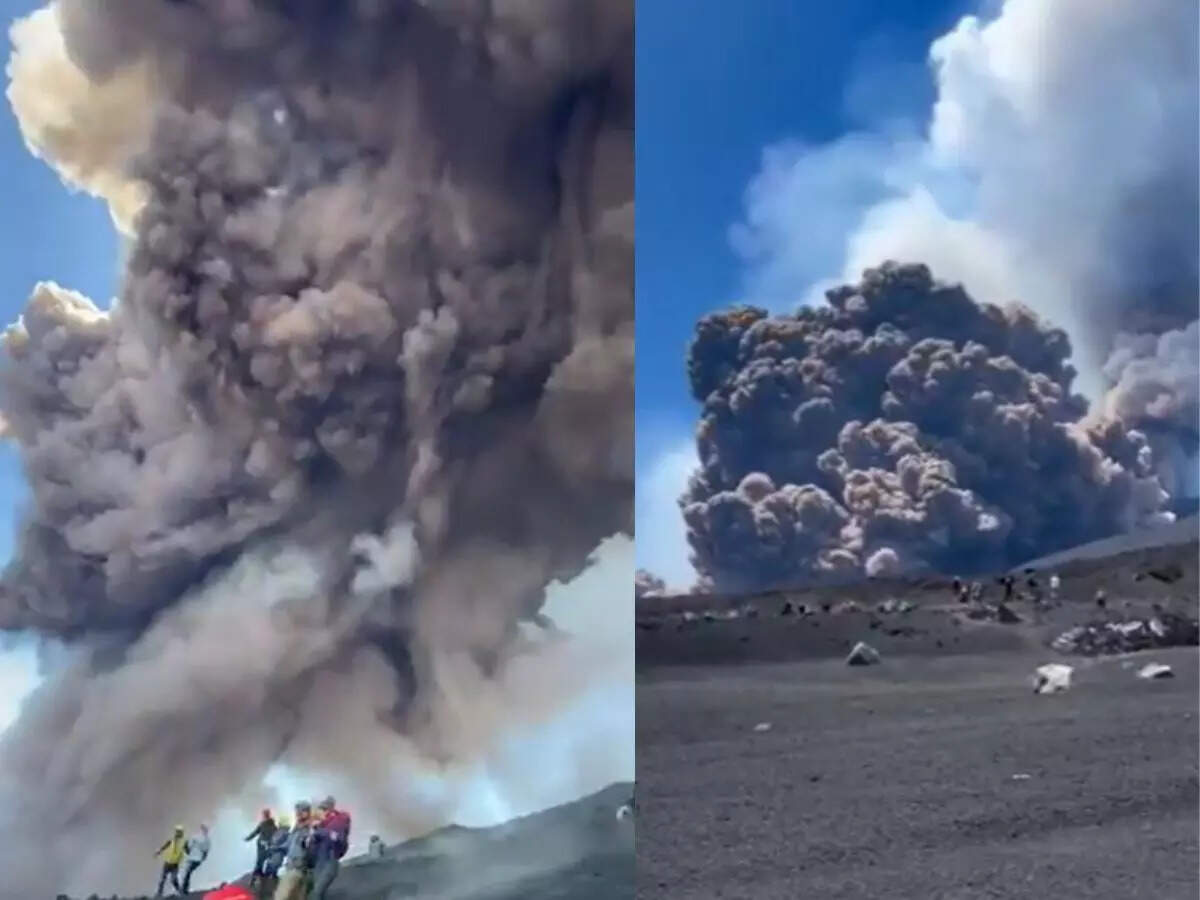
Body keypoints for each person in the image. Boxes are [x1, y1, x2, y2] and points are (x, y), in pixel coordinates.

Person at [309, 795, 351, 900]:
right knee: (317, 893)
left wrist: (319, 831)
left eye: (322, 810)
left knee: (316, 893)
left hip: (330, 861)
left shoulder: (339, 821)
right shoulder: (321, 826)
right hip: (319, 862)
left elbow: (337, 839)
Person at [273, 801, 313, 900]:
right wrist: (276, 848)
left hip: (297, 868)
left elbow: (309, 848)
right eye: (297, 811)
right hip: (295, 868)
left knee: (281, 897)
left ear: (306, 813)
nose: (297, 814)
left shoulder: (311, 829)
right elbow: (288, 845)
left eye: (300, 811)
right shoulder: (296, 829)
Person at [246, 808, 278, 889]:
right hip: (269, 846)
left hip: (261, 846)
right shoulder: (274, 826)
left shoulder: (262, 824)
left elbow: (255, 833)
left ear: (264, 815)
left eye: (263, 815)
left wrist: (247, 838)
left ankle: (253, 881)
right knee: (266, 861)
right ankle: (264, 878)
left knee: (259, 862)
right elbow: (275, 837)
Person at [154, 825, 187, 897]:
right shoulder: (171, 840)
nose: (177, 833)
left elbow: (188, 850)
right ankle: (159, 893)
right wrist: (158, 852)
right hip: (167, 863)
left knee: (173, 879)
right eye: (177, 831)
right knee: (162, 878)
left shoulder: (183, 842)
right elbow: (164, 846)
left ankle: (179, 890)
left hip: (175, 865)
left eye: (179, 831)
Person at [182, 823, 211, 893]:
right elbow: (206, 851)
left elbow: (188, 846)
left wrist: (187, 850)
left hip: (193, 858)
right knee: (187, 872)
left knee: (187, 872)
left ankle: (184, 888)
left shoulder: (197, 837)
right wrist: (203, 858)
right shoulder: (206, 839)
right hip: (196, 859)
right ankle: (184, 888)